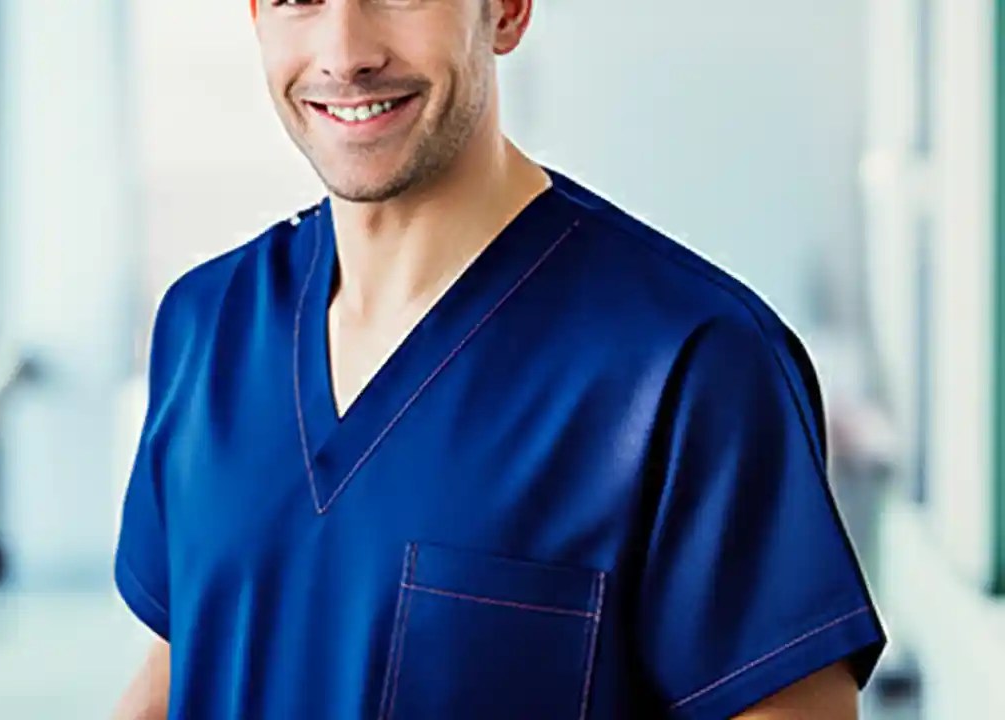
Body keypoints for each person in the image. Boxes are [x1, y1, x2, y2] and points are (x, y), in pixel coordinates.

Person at [112, 0, 887, 717]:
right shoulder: (205, 327)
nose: (344, 52)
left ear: (507, 10)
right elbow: (187, 662)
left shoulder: (690, 365)